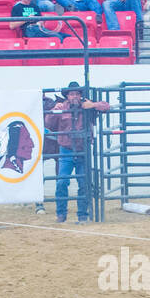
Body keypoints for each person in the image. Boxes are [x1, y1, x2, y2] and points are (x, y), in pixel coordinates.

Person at [45, 81, 111, 224]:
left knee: (83, 183)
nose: (74, 96)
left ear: (80, 95)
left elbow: (106, 106)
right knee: (62, 182)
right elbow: (48, 124)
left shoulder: (87, 105)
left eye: (77, 94)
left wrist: (93, 105)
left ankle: (82, 215)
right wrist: (54, 111)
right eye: (71, 94)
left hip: (83, 149)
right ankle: (61, 214)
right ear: (67, 96)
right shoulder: (61, 107)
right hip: (66, 149)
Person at [9, 0, 74, 42]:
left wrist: (41, 21)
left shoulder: (35, 6)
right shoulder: (17, 7)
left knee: (67, 37)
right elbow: (12, 26)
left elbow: (40, 20)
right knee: (57, 37)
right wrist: (26, 19)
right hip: (29, 29)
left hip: (39, 28)